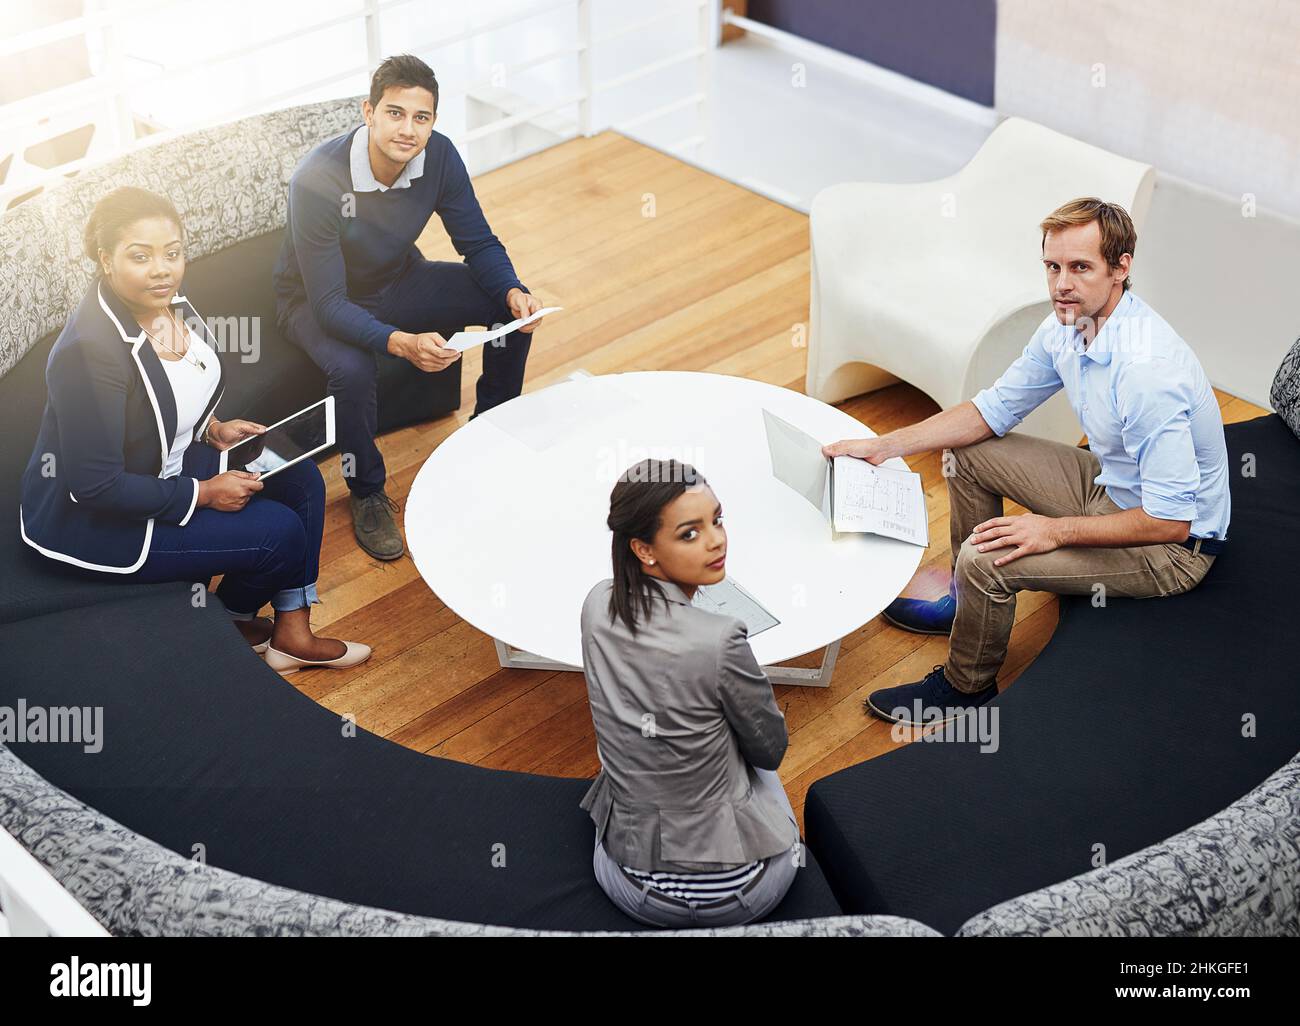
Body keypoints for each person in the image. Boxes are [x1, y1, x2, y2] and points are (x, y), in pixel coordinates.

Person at [823, 197, 1231, 726]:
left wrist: (1053, 531)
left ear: (1121, 267)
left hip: (1171, 548)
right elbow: (991, 411)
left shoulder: (1147, 372)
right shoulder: (1067, 323)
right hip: (1111, 487)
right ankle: (964, 602)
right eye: (1053, 266)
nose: (1062, 283)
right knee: (967, 452)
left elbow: (1170, 522)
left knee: (985, 559)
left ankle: (966, 686)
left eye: (1081, 267)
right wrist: (886, 444)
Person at [19, 186, 370, 675]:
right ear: (105, 259)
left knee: (302, 481)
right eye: (140, 256)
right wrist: (203, 493)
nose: (162, 268)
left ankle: (288, 632)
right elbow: (93, 485)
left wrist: (213, 430)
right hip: (101, 521)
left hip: (168, 460)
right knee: (280, 532)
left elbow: (170, 392)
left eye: (173, 253)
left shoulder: (166, 300)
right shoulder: (90, 353)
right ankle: (229, 623)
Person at [273, 53, 545, 562]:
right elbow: (329, 304)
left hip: (397, 277)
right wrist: (401, 343)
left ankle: (487, 431)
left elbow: (477, 242)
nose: (408, 129)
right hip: (313, 300)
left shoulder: (438, 156)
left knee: (515, 313)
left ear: (434, 123)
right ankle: (367, 490)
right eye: (395, 113)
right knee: (352, 370)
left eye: (421, 118)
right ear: (368, 112)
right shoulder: (318, 179)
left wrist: (511, 290)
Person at [579, 458, 803, 927]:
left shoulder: (597, 604)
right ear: (644, 549)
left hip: (628, 883)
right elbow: (770, 750)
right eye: (689, 533)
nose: (716, 540)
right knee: (765, 774)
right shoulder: (720, 639)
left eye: (716, 520)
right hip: (740, 893)